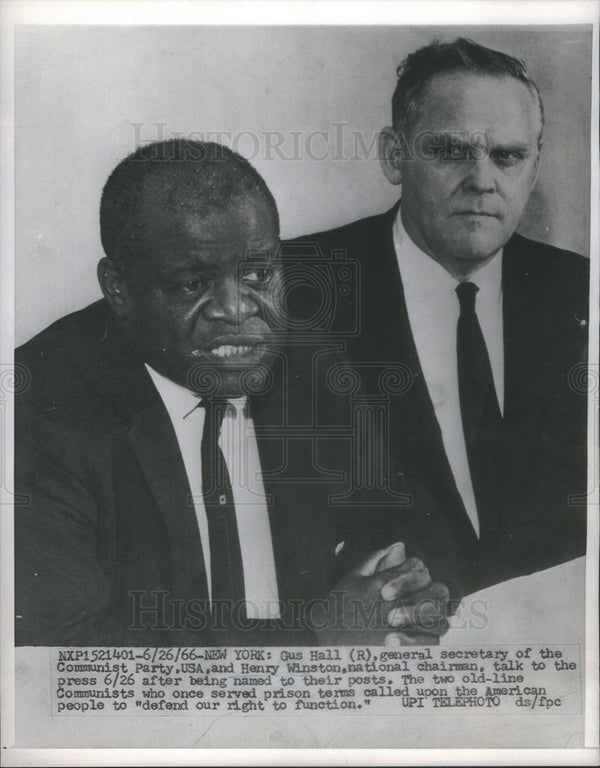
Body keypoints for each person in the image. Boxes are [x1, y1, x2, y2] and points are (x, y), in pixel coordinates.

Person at [15, 139, 453, 647]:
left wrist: (408, 592)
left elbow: (411, 520)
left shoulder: (309, 363)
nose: (236, 309)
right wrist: (314, 642)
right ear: (118, 288)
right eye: (190, 283)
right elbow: (58, 661)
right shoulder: (40, 409)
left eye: (257, 273)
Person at [287, 38, 588, 594]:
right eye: (451, 151)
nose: (482, 179)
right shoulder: (298, 289)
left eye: (508, 155)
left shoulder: (581, 294)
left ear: (535, 163)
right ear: (394, 155)